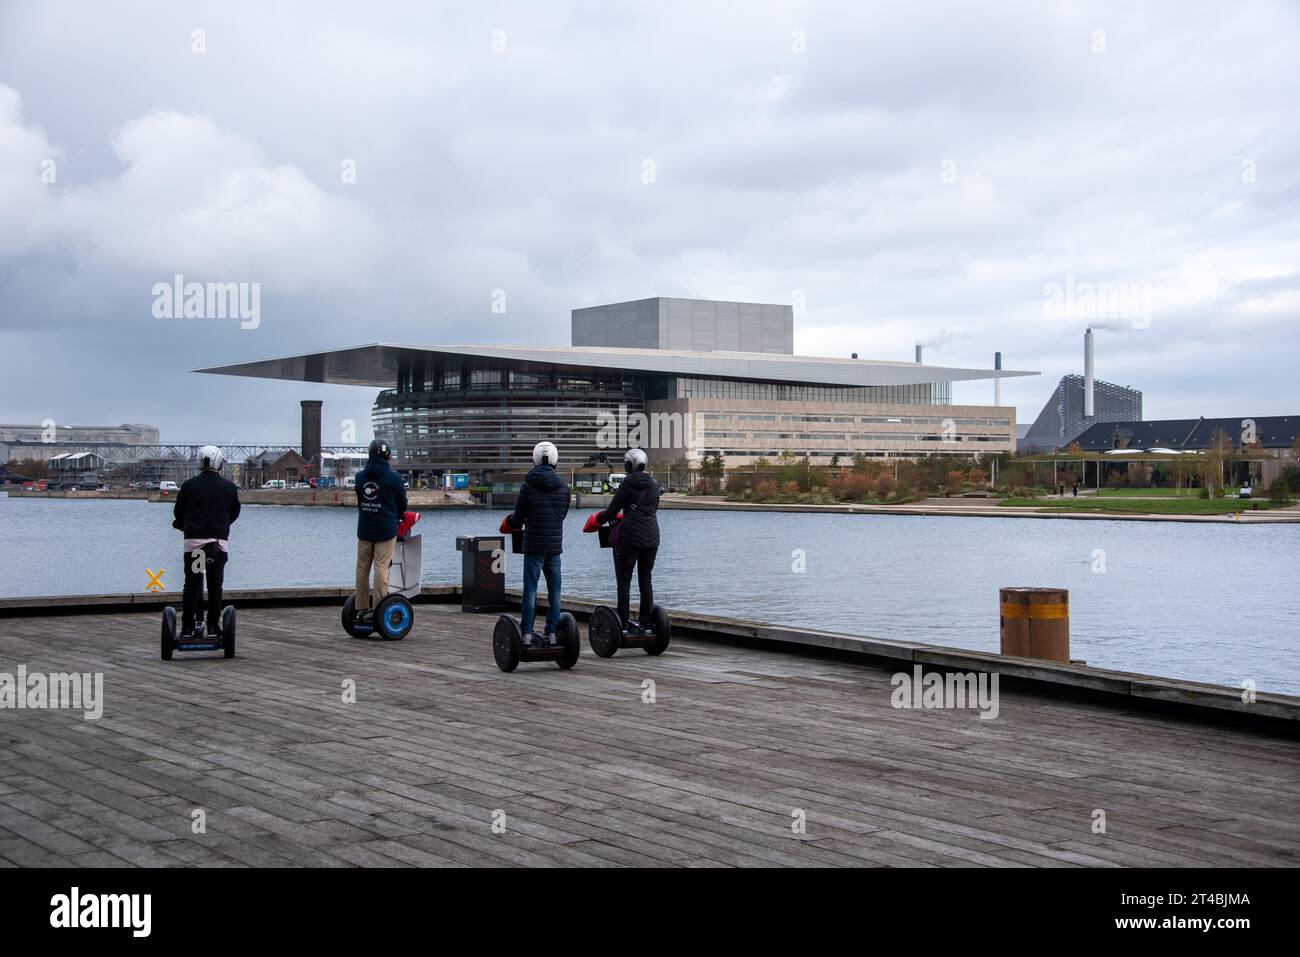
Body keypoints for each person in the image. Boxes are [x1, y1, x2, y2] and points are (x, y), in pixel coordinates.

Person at [501, 441, 570, 644]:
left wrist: (509, 522)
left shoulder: (528, 486)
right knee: (554, 592)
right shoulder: (564, 488)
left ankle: (527, 634)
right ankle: (551, 632)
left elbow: (518, 518)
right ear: (555, 460)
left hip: (533, 547)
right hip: (554, 547)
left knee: (530, 590)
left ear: (535, 460)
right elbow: (562, 515)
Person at [172, 445, 241, 639]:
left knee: (192, 585)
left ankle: (187, 628)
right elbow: (234, 512)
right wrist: (222, 525)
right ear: (219, 462)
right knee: (215, 585)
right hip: (218, 546)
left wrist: (185, 524)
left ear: (199, 462)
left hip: (195, 546)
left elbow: (178, 513)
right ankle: (212, 627)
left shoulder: (189, 485)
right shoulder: (229, 487)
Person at [588, 448, 660, 630]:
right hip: (652, 537)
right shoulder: (653, 484)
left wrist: (598, 519)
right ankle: (646, 620)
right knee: (646, 577)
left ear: (629, 466)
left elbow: (612, 511)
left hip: (632, 537)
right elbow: (654, 508)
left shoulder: (627, 484)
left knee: (624, 578)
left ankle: (623, 620)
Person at [353, 438, 407, 624]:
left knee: (362, 569)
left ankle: (361, 608)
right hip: (386, 530)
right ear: (387, 455)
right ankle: (379, 609)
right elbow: (402, 504)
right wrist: (396, 515)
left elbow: (361, 501)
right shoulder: (394, 478)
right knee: (381, 568)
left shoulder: (360, 477)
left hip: (365, 528)